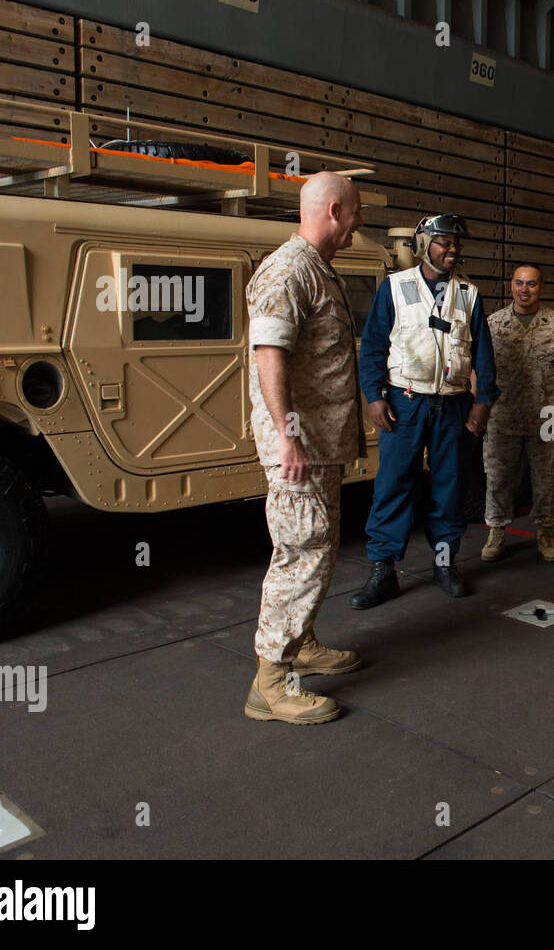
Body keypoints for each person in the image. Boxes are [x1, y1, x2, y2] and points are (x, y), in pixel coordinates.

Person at [244, 171, 367, 726]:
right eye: (356, 213)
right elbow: (268, 352)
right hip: (300, 447)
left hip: (320, 446)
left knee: (319, 547)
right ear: (336, 209)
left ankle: (303, 642)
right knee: (300, 553)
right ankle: (271, 683)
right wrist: (288, 434)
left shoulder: (320, 269)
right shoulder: (290, 269)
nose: (358, 224)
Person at [350, 214, 499, 608]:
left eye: (456, 244)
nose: (452, 249)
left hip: (454, 405)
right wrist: (374, 395)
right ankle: (383, 571)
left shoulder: (469, 293)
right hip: (405, 403)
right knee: (393, 485)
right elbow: (374, 346)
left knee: (449, 486)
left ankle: (445, 564)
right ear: (423, 245)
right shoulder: (395, 288)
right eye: (444, 242)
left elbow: (483, 354)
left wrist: (482, 402)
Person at [481, 264, 554, 563]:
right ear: (511, 285)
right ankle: (496, 531)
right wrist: (477, 405)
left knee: (547, 479)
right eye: (520, 283)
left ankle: (545, 532)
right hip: (502, 416)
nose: (525, 289)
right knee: (497, 479)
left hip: (546, 418)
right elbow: (480, 369)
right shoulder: (493, 324)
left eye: (532, 284)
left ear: (541, 288)